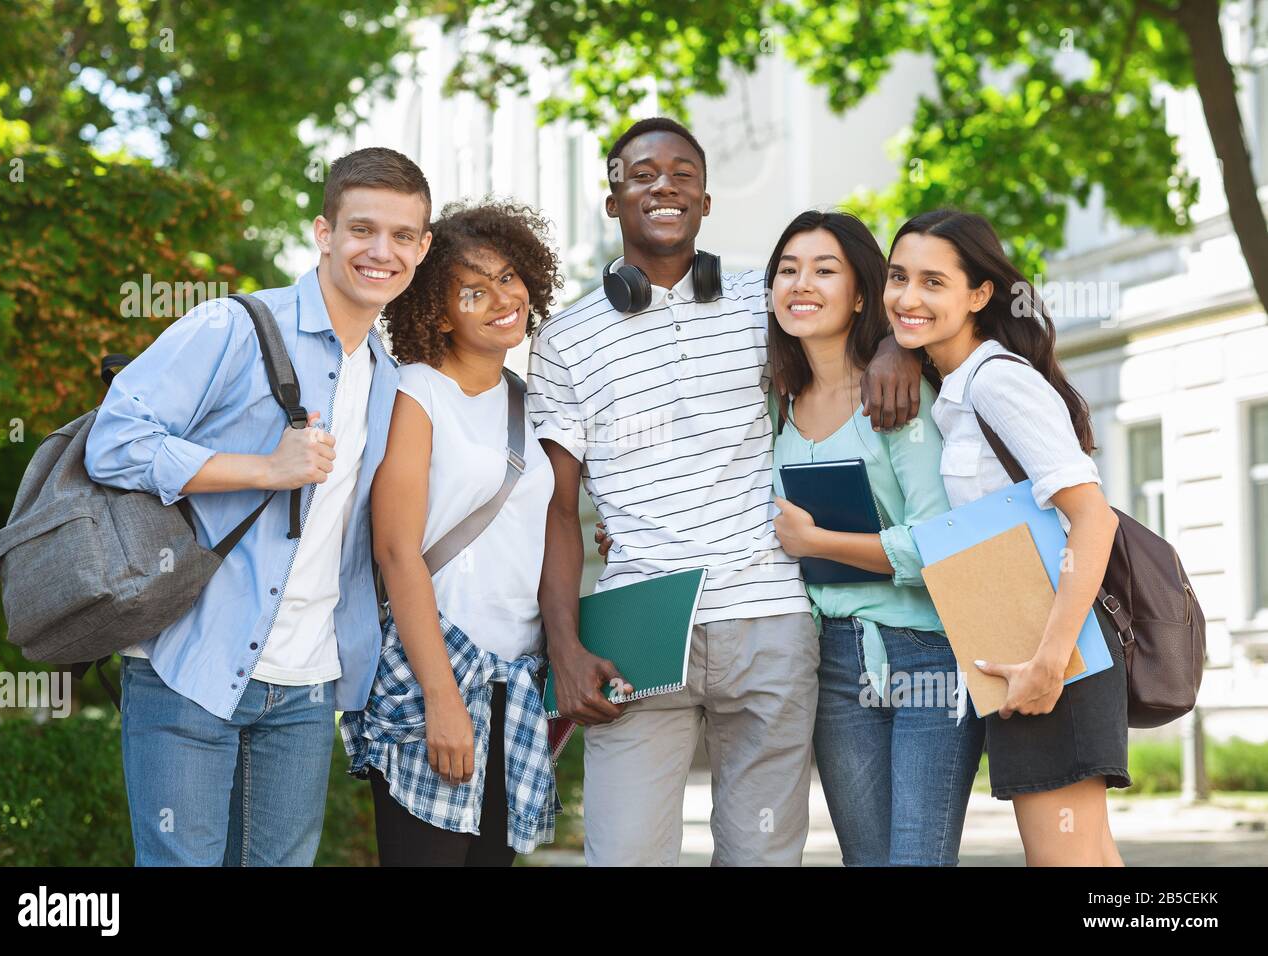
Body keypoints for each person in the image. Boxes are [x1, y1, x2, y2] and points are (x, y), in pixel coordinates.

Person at [528, 116, 922, 866]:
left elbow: (863, 313)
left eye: (682, 174)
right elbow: (556, 506)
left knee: (762, 857)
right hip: (635, 631)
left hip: (769, 620)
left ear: (706, 201)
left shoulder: (762, 303)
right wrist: (564, 645)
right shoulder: (563, 339)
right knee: (625, 856)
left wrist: (896, 348)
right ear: (612, 200)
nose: (663, 185)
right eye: (641, 174)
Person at [84, 147, 432, 865]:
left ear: (423, 248)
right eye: (362, 229)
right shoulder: (232, 327)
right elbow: (113, 442)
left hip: (306, 686)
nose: (381, 251)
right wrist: (263, 468)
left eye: (402, 236)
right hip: (190, 663)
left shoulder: (391, 378)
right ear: (323, 232)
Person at [885, 208, 1130, 866]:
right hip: (1024, 651)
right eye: (897, 277)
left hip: (1052, 656)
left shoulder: (998, 382)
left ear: (980, 293)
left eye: (933, 282)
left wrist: (1049, 663)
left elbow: (1093, 517)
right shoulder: (957, 390)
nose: (909, 298)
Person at [339, 200, 564, 866]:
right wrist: (442, 699)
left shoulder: (527, 399)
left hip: (515, 680)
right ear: (437, 313)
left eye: (508, 277)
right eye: (474, 289)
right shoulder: (417, 392)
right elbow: (394, 549)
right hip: (433, 673)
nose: (503, 297)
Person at [765, 209, 985, 866]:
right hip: (833, 663)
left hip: (930, 657)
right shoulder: (776, 406)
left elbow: (940, 546)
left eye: (825, 270)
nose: (802, 284)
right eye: (788, 269)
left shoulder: (898, 397)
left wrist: (820, 541)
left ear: (861, 293)